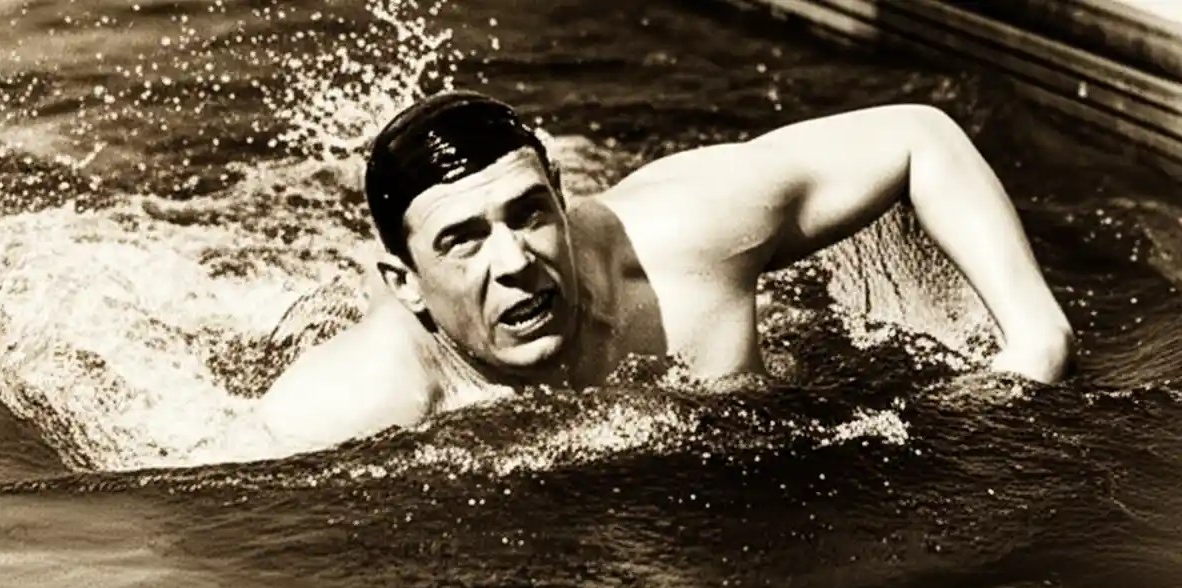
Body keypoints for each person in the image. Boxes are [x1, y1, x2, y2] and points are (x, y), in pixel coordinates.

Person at [253, 91, 1074, 457]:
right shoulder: (352, 401)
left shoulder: (686, 240)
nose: (516, 262)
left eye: (530, 213)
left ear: (562, 198)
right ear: (404, 282)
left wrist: (1036, 336)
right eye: (463, 241)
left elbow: (917, 135)